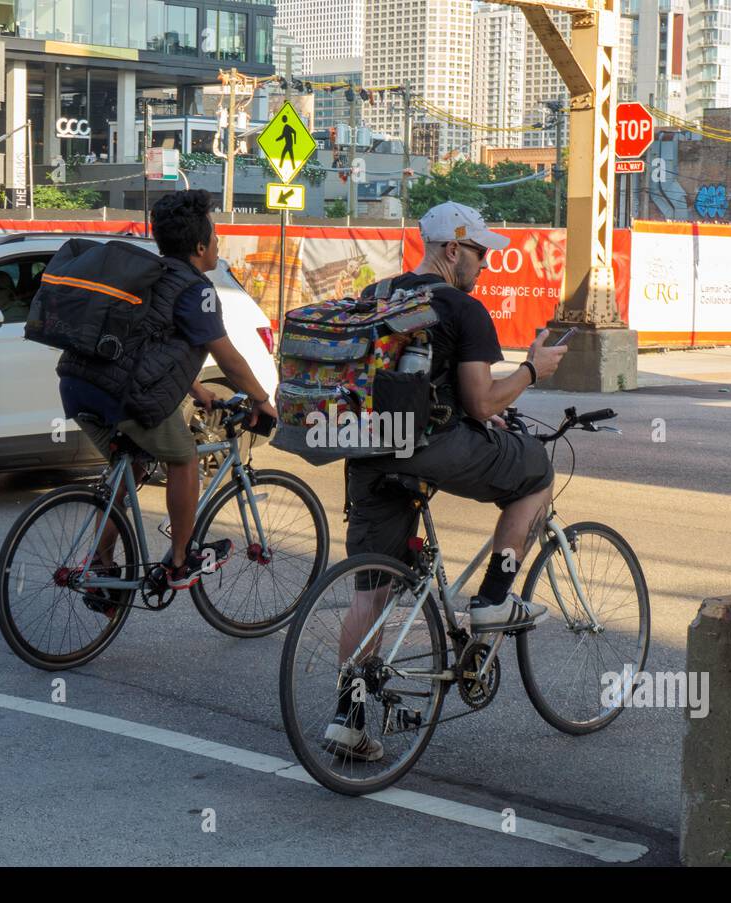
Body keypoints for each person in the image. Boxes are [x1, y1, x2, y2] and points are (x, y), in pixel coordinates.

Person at [327, 201, 568, 760]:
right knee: (535, 472)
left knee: (371, 593)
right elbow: (481, 400)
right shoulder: (463, 307)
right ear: (452, 250)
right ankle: (492, 599)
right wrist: (532, 370)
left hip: (368, 452)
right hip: (431, 449)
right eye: (480, 252)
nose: (486, 264)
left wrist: (483, 411)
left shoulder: (379, 294)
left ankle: (348, 718)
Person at [58, 189, 277, 597]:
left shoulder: (149, 274)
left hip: (77, 385)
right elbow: (227, 357)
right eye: (214, 239)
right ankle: (180, 560)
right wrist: (263, 400)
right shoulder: (197, 291)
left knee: (132, 467)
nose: (217, 246)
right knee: (184, 459)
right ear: (199, 247)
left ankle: (100, 566)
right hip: (121, 395)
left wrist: (196, 389)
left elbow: (146, 342)